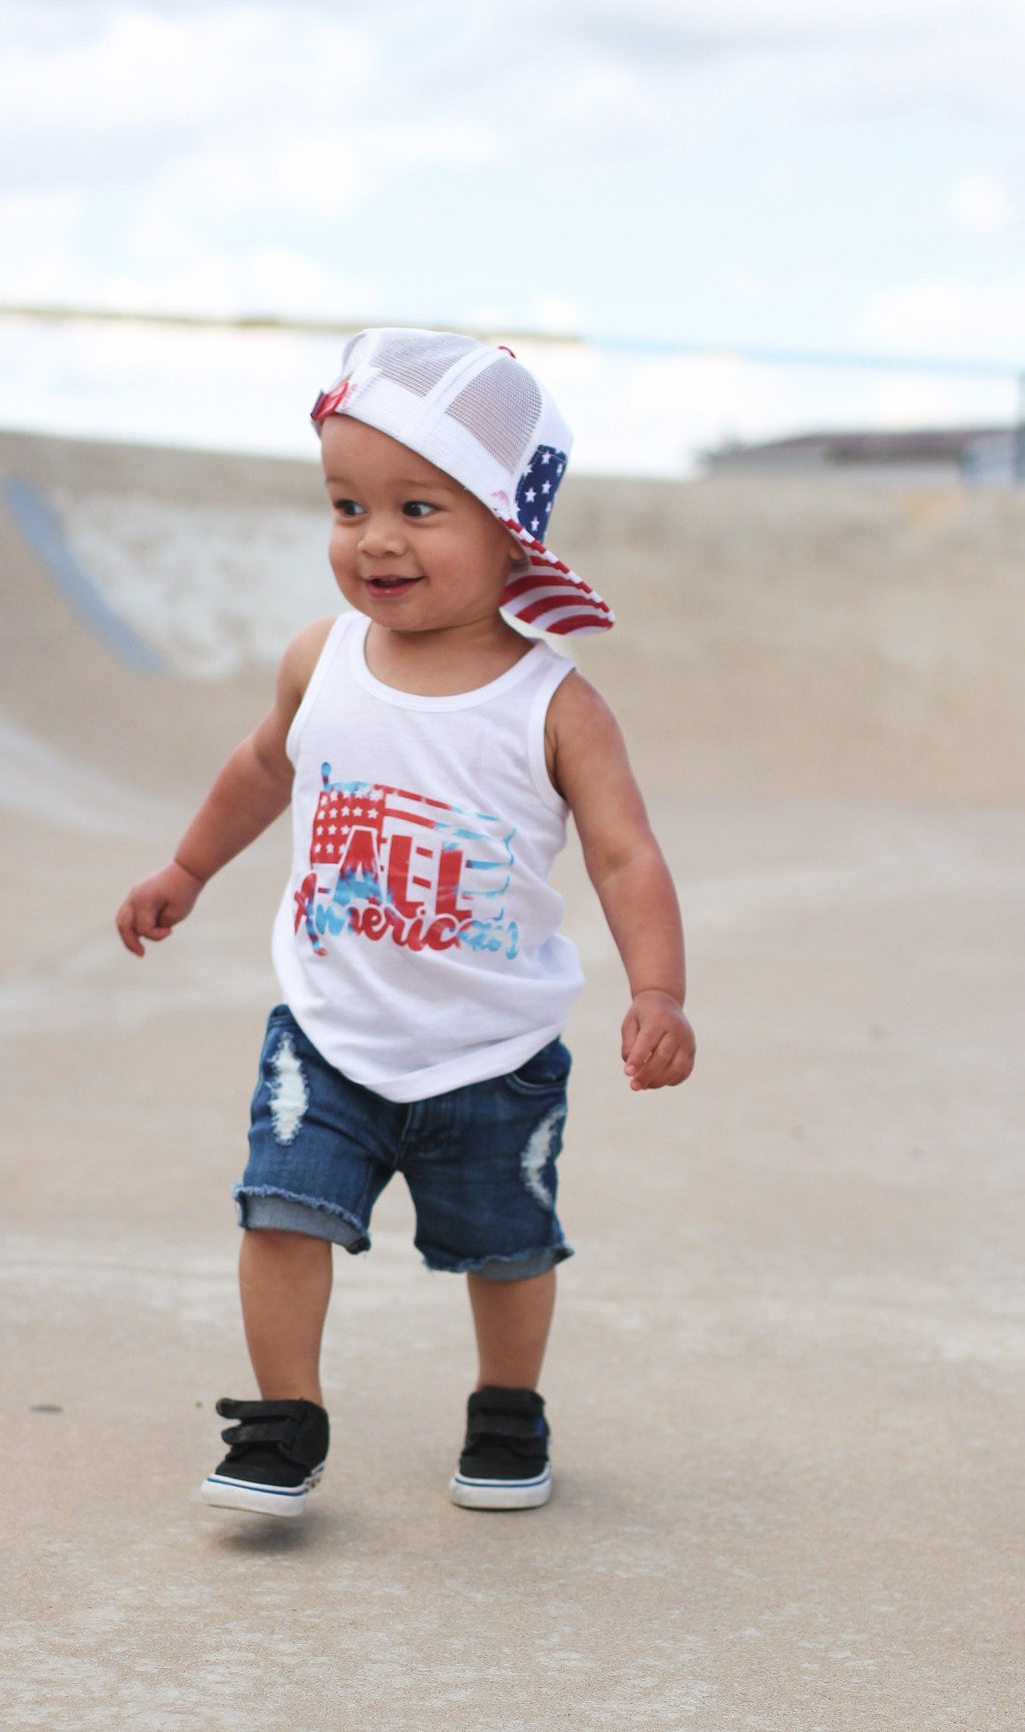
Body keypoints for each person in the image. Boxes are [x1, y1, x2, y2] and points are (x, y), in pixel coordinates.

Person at [117, 328, 694, 1517]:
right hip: (328, 1031)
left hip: (492, 1057)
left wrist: (658, 991)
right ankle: (284, 1423)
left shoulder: (554, 704)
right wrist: (188, 865)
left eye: (419, 507)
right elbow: (262, 768)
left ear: (508, 530)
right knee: (280, 1214)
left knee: (506, 1247)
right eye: (346, 505)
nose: (374, 538)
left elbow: (625, 854)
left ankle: (505, 1408)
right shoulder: (319, 660)